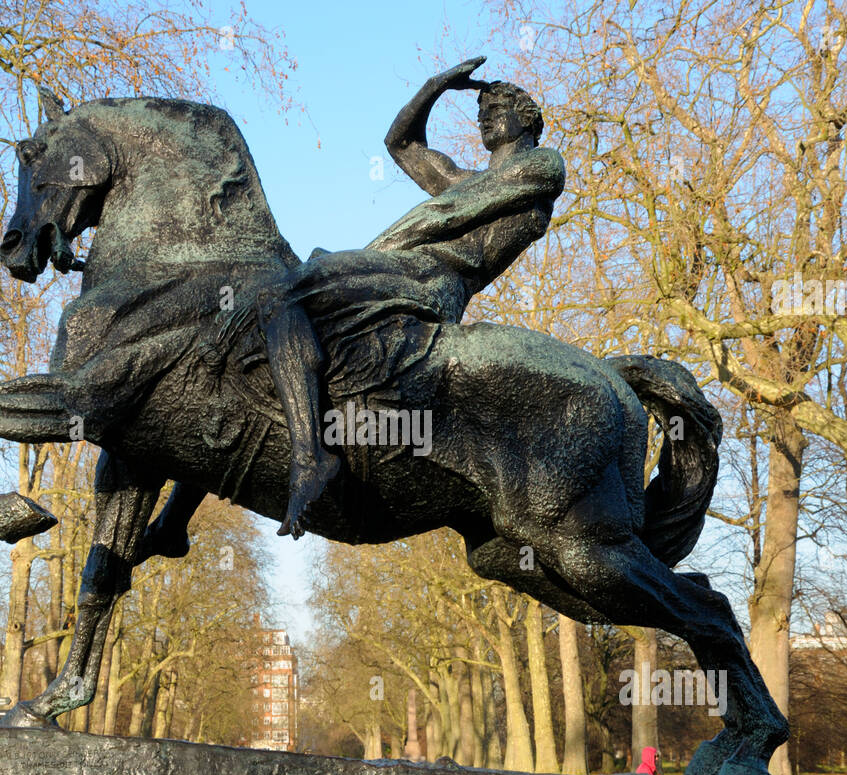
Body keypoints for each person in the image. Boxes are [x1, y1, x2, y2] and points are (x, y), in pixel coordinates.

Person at [159, 58, 566, 544]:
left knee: (277, 292)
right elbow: (401, 144)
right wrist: (433, 88)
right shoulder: (464, 178)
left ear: (528, 118)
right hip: (398, 270)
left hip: (429, 282)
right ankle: (172, 523)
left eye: (496, 106)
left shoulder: (540, 166)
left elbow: (448, 214)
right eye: (480, 105)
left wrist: (360, 259)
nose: (484, 113)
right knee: (257, 331)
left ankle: (310, 458)